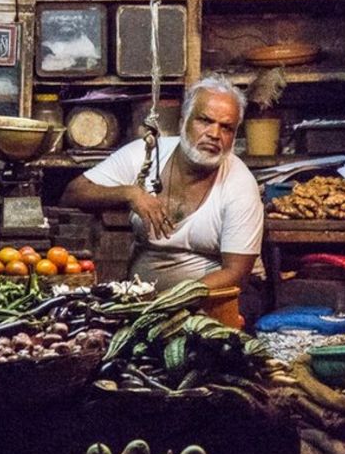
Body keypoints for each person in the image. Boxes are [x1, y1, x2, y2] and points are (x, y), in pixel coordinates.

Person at [60, 73, 264, 292]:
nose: (214, 134)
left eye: (226, 128)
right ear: (183, 121)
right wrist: (131, 193)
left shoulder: (240, 185)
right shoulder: (146, 154)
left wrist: (172, 300)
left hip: (212, 298)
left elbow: (236, 273)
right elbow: (73, 192)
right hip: (143, 294)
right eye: (205, 121)